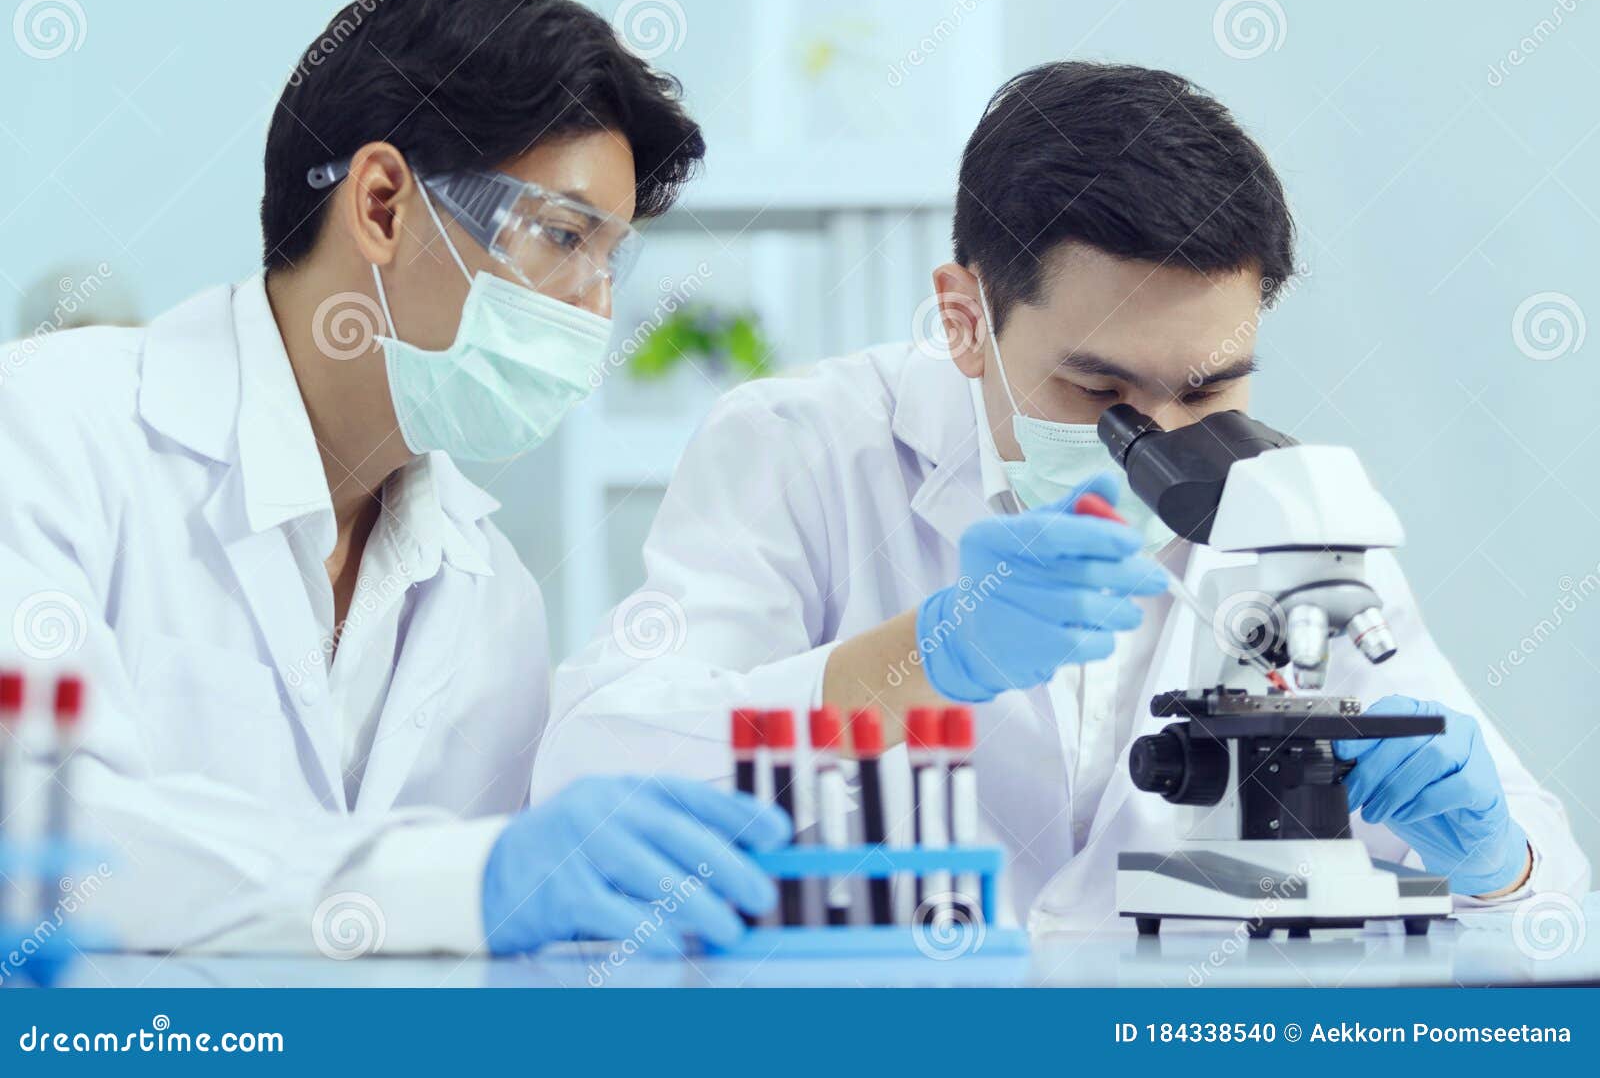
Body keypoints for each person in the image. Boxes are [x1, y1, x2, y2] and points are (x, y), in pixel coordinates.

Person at [536, 62, 1590, 927]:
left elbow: (1545, 878)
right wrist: (919, 659)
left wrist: (1497, 858)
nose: (1163, 444)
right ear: (963, 317)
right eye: (1099, 392)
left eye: (1208, 390)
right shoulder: (802, 447)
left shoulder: (1285, 512)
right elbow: (589, 769)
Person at [0, 0, 789, 956]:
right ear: (381, 203)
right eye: (562, 237)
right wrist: (465, 877)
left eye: (611, 262)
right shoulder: (45, 430)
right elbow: (38, 840)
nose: (594, 312)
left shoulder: (489, 592)